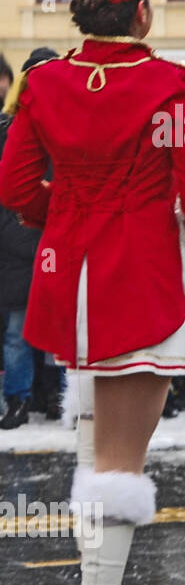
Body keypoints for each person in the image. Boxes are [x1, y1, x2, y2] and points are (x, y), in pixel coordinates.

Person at [0, 0, 185, 585]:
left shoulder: (42, 85)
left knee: (97, 445)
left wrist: (60, 218)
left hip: (70, 275)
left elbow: (16, 188)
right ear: (142, 11)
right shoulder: (173, 86)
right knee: (122, 457)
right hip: (140, 277)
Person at [0, 48, 59, 428]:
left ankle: (57, 396)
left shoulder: (70, 128)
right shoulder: (7, 131)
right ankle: (17, 401)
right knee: (18, 334)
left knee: (58, 334)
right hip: (18, 249)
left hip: (57, 246)